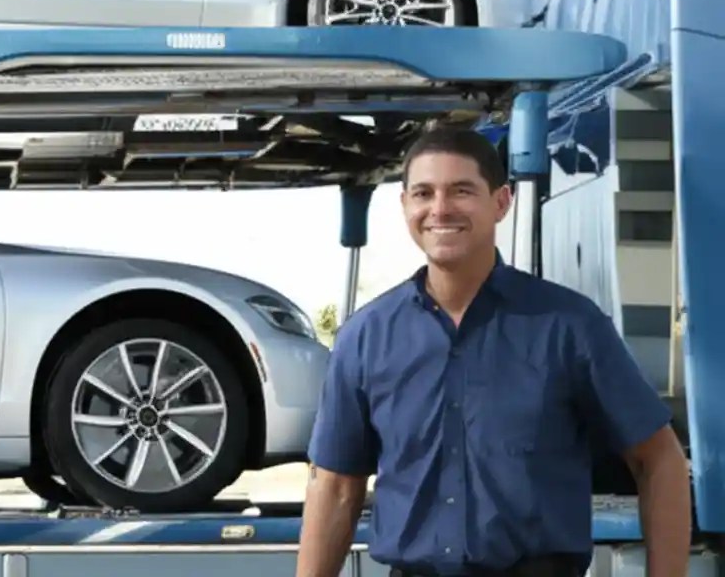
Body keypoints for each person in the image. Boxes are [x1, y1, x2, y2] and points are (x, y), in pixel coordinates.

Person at [295, 125, 691, 577]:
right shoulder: (364, 336)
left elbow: (659, 460)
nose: (440, 209)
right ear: (405, 204)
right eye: (424, 193)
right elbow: (336, 487)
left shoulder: (570, 327)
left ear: (501, 202)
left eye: (462, 190)